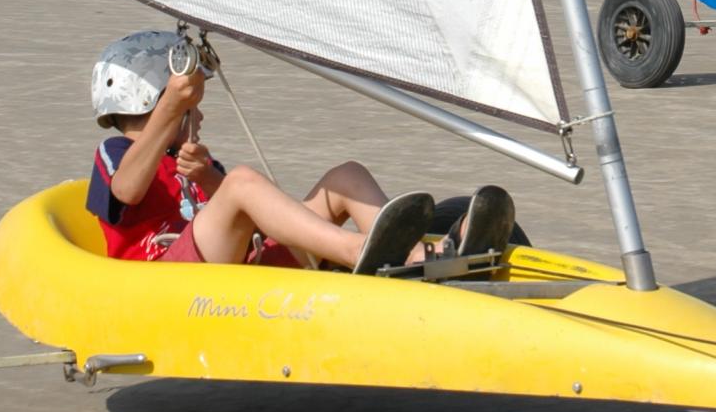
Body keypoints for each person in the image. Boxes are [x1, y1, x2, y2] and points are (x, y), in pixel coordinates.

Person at [87, 30, 515, 274]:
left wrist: (208, 179)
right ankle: (359, 251)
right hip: (163, 281)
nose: (199, 118)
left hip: (236, 261)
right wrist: (171, 109)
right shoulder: (116, 153)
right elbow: (126, 190)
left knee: (345, 176)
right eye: (191, 109)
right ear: (155, 102)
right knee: (241, 182)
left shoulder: (192, 157)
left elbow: (241, 214)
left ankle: (421, 257)